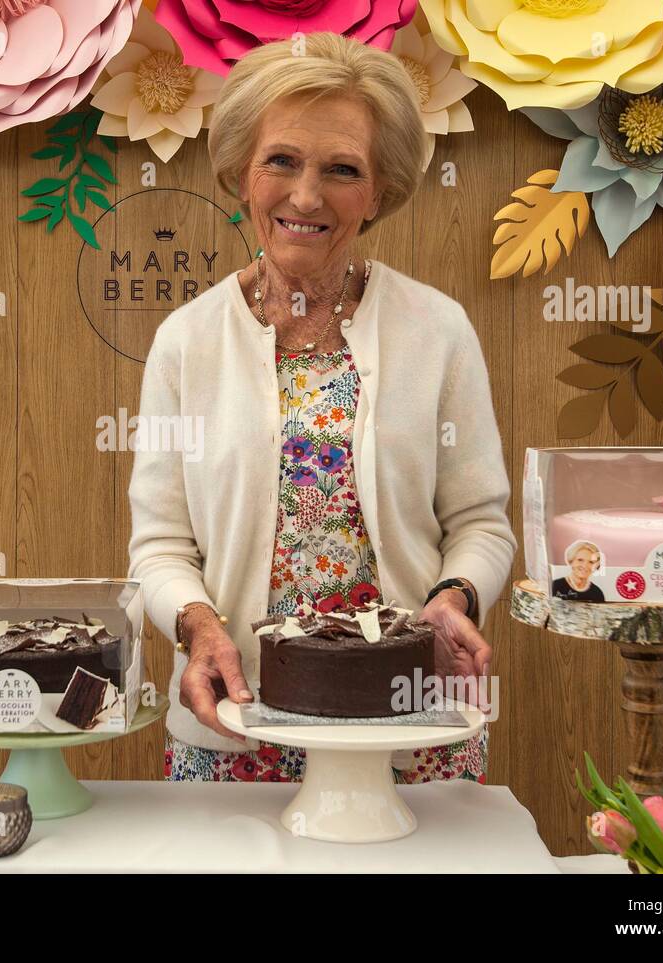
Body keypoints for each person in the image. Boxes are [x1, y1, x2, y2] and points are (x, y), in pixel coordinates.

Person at [127, 33, 516, 784]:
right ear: (244, 172)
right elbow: (160, 546)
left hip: (411, 734)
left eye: (342, 169)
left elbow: (480, 522)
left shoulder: (438, 330)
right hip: (235, 729)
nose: (306, 196)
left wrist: (453, 596)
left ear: (379, 192)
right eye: (281, 160)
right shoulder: (185, 342)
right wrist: (198, 625)